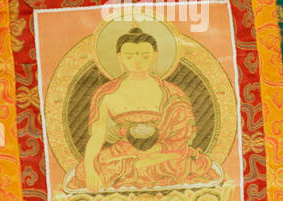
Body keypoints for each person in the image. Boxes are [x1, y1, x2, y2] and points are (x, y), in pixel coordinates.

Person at [73, 27, 215, 190]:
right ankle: (140, 166)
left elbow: (182, 135)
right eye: (129, 56)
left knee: (182, 162)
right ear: (120, 58)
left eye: (145, 56)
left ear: (155, 56)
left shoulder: (171, 92)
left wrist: (158, 148)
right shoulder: (107, 93)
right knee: (84, 169)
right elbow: (98, 135)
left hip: (162, 151)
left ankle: (140, 167)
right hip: (124, 152)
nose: (137, 62)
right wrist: (90, 169)